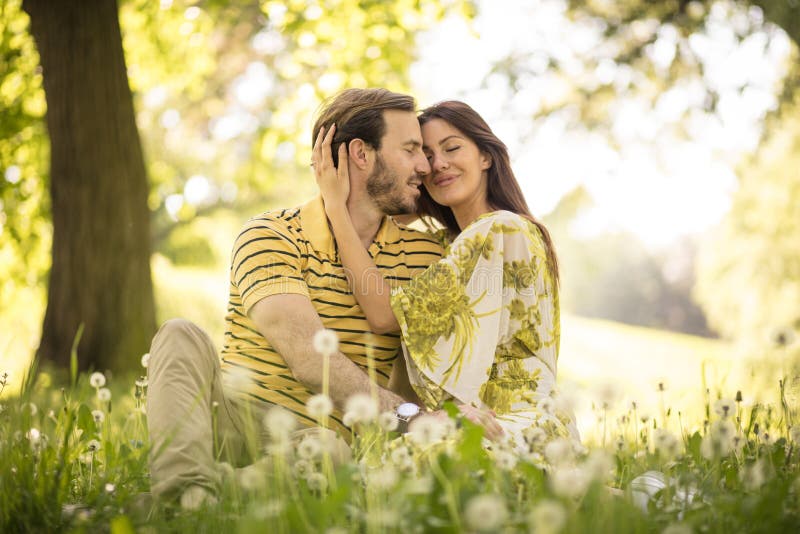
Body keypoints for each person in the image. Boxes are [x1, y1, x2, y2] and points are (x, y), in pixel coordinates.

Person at [146, 88, 449, 508]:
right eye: (411, 149)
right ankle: (182, 491)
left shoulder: (425, 257)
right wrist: (406, 420)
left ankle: (190, 503)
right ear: (361, 154)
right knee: (180, 334)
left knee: (327, 450)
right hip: (232, 422)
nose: (425, 164)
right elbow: (310, 358)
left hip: (321, 445)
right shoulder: (271, 234)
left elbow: (411, 374)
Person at [312, 100, 580, 452]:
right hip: (471, 419)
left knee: (420, 462)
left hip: (514, 419)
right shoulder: (451, 243)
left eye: (452, 148)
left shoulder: (500, 230)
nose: (437, 164)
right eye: (424, 155)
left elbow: (384, 315)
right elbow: (390, 214)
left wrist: (335, 208)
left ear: (486, 157)